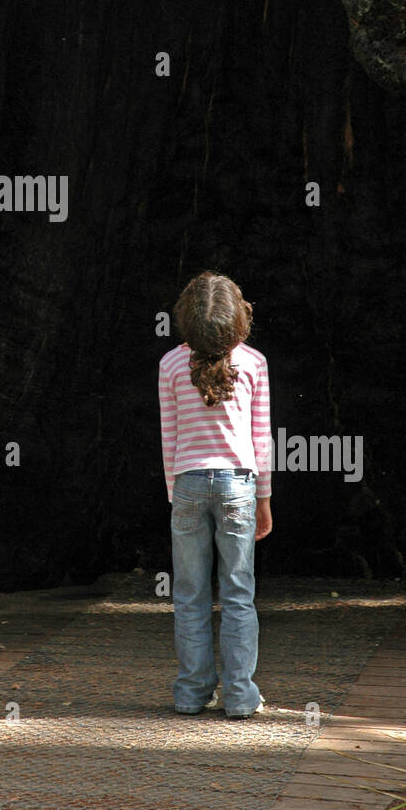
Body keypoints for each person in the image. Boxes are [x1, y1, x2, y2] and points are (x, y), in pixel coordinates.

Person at [158, 271, 273, 719]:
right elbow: (260, 439)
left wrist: (175, 494)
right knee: (239, 592)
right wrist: (264, 498)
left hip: (187, 483)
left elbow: (170, 437)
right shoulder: (254, 363)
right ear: (238, 321)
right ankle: (241, 697)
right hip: (238, 486)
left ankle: (191, 693)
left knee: (189, 594)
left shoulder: (170, 365)